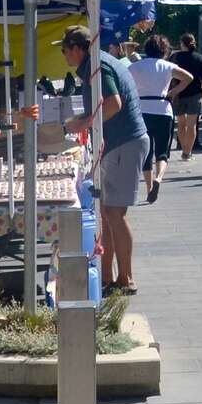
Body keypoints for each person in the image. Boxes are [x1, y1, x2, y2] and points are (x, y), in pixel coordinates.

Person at [57, 25, 148, 294]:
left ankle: (127, 278)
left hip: (125, 143)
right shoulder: (96, 65)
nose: (65, 57)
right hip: (120, 143)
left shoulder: (99, 67)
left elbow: (114, 103)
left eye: (64, 51)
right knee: (107, 213)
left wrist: (84, 123)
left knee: (114, 213)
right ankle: (108, 276)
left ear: (77, 49)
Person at [128, 34, 193, 205]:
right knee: (162, 152)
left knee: (146, 153)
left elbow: (125, 83)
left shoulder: (136, 67)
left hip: (142, 111)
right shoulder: (168, 66)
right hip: (163, 110)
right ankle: (159, 178)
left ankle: (149, 188)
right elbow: (189, 78)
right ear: (164, 50)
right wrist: (172, 92)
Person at [169, 33, 202, 160]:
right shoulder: (199, 58)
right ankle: (187, 152)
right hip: (195, 94)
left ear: (182, 44)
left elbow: (168, 75)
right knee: (192, 125)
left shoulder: (175, 57)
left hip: (178, 94)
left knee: (181, 124)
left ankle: (183, 148)